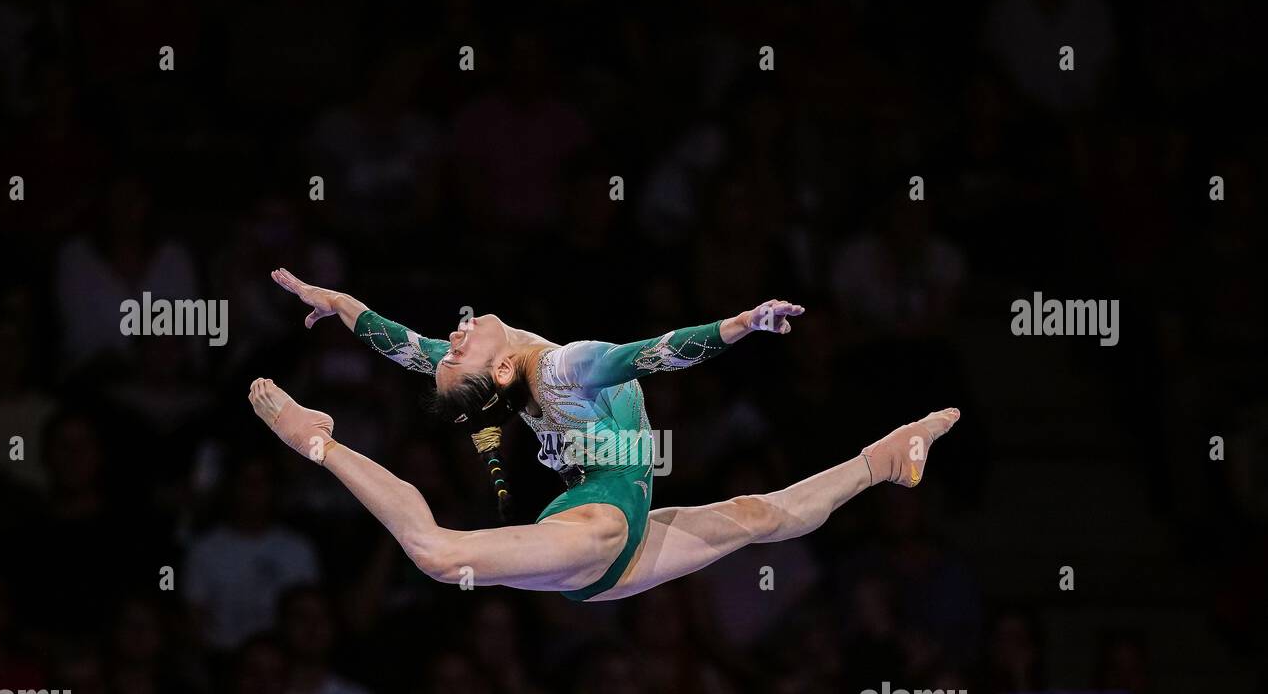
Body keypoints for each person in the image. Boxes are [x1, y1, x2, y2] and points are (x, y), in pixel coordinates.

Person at [250, 268, 960, 603]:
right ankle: (319, 441)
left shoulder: (495, 366)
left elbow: (401, 344)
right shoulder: (562, 367)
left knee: (756, 515)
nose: (452, 338)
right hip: (599, 526)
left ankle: (884, 458)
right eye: (457, 350)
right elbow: (655, 352)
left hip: (622, 534)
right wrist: (739, 326)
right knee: (436, 553)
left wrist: (338, 301)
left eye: (452, 348)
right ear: (498, 367)